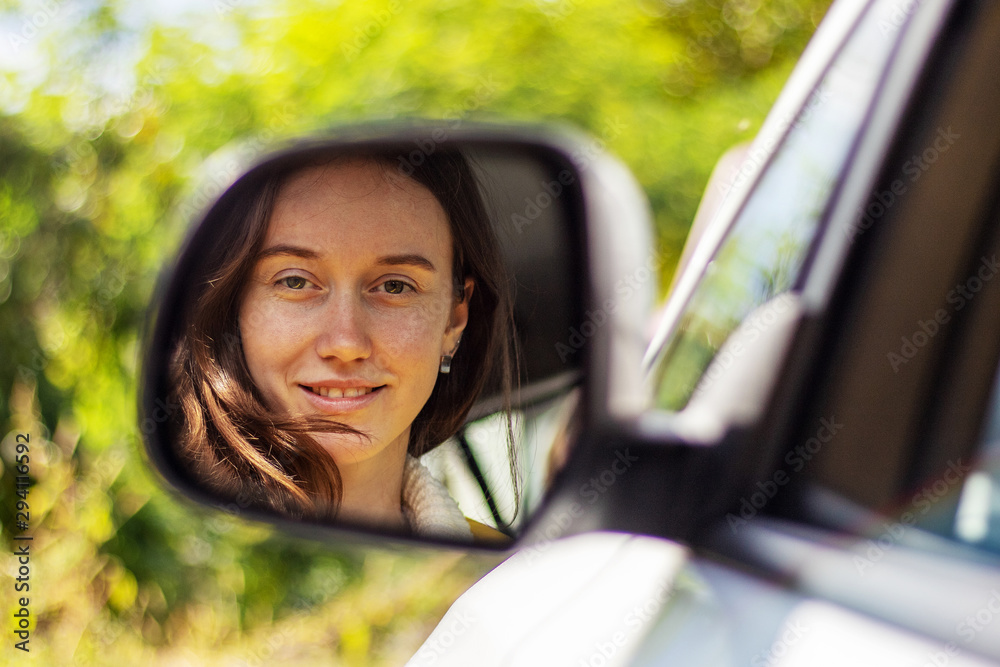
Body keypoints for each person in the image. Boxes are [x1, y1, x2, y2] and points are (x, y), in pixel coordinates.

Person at [167, 147, 516, 543]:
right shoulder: (173, 535)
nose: (346, 343)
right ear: (234, 309)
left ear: (453, 321)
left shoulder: (507, 574)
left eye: (395, 286)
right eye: (296, 281)